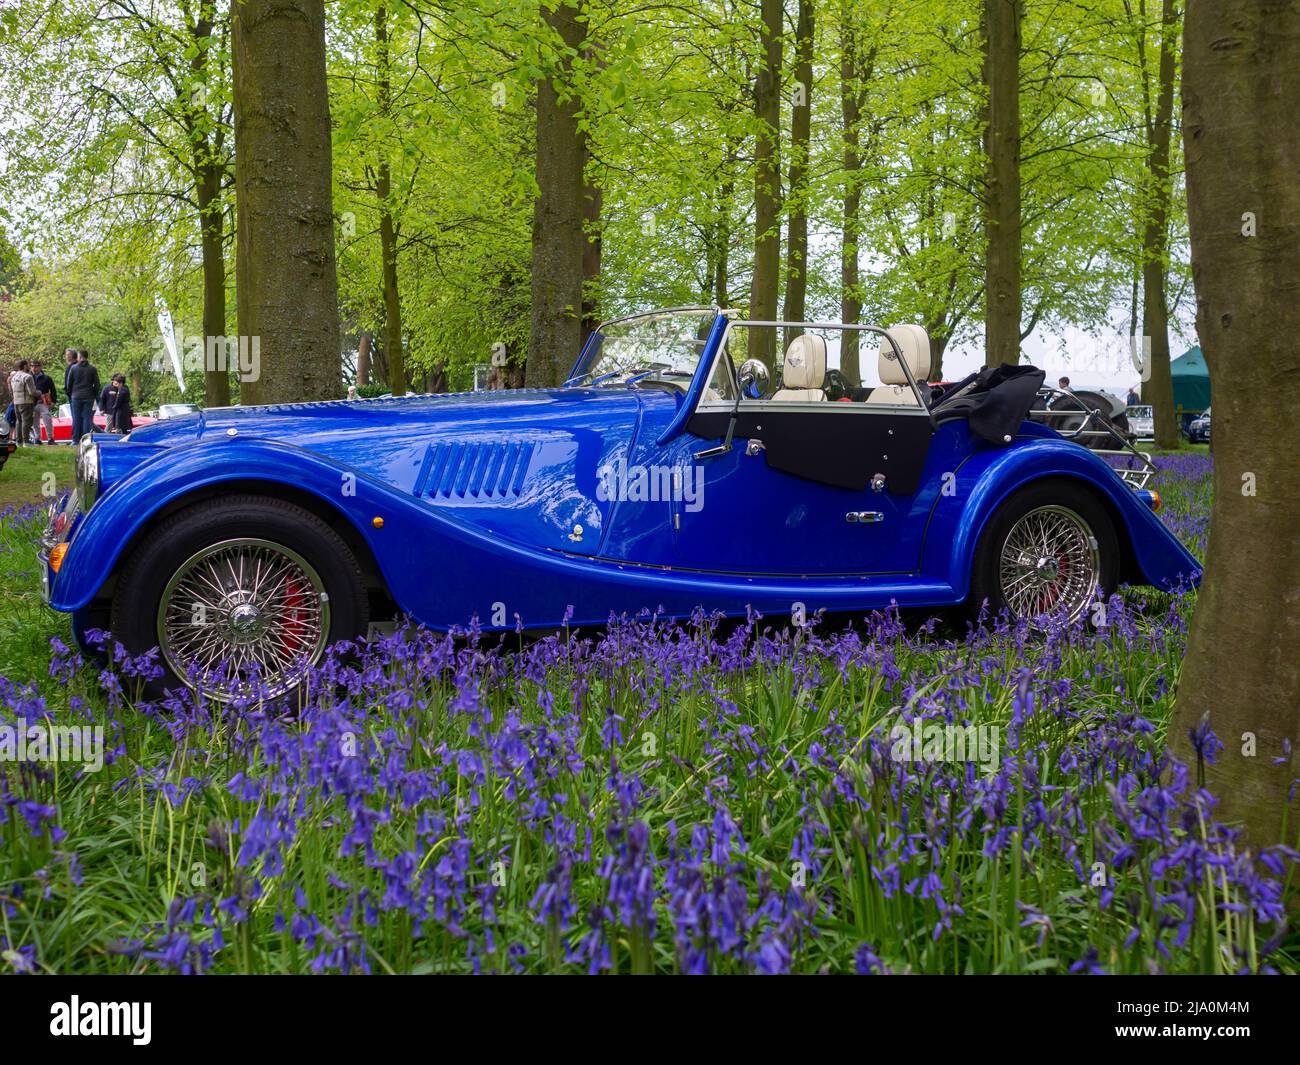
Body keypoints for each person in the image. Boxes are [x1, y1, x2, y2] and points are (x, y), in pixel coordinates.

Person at [67, 349, 101, 443]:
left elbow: (69, 383)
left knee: (76, 418)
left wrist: (71, 394)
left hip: (76, 396)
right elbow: (97, 384)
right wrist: (93, 394)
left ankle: (75, 439)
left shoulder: (73, 368)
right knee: (87, 418)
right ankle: (85, 440)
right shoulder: (92, 369)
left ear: (80, 356)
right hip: (88, 396)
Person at [8, 359, 38, 448]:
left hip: (16, 402)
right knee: (26, 422)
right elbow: (32, 392)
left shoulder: (13, 377)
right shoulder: (27, 377)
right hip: (26, 402)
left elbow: (11, 391)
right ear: (24, 366)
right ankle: (26, 442)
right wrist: (39, 393)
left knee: (19, 421)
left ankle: (19, 442)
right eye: (28, 365)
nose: (29, 366)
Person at [32, 360, 57, 444]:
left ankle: (50, 438)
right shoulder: (29, 377)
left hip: (43, 403)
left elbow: (53, 390)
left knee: (47, 420)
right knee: (35, 422)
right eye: (32, 366)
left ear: (40, 367)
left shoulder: (47, 378)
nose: (34, 368)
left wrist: (53, 401)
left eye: (36, 366)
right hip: (32, 403)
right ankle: (37, 438)